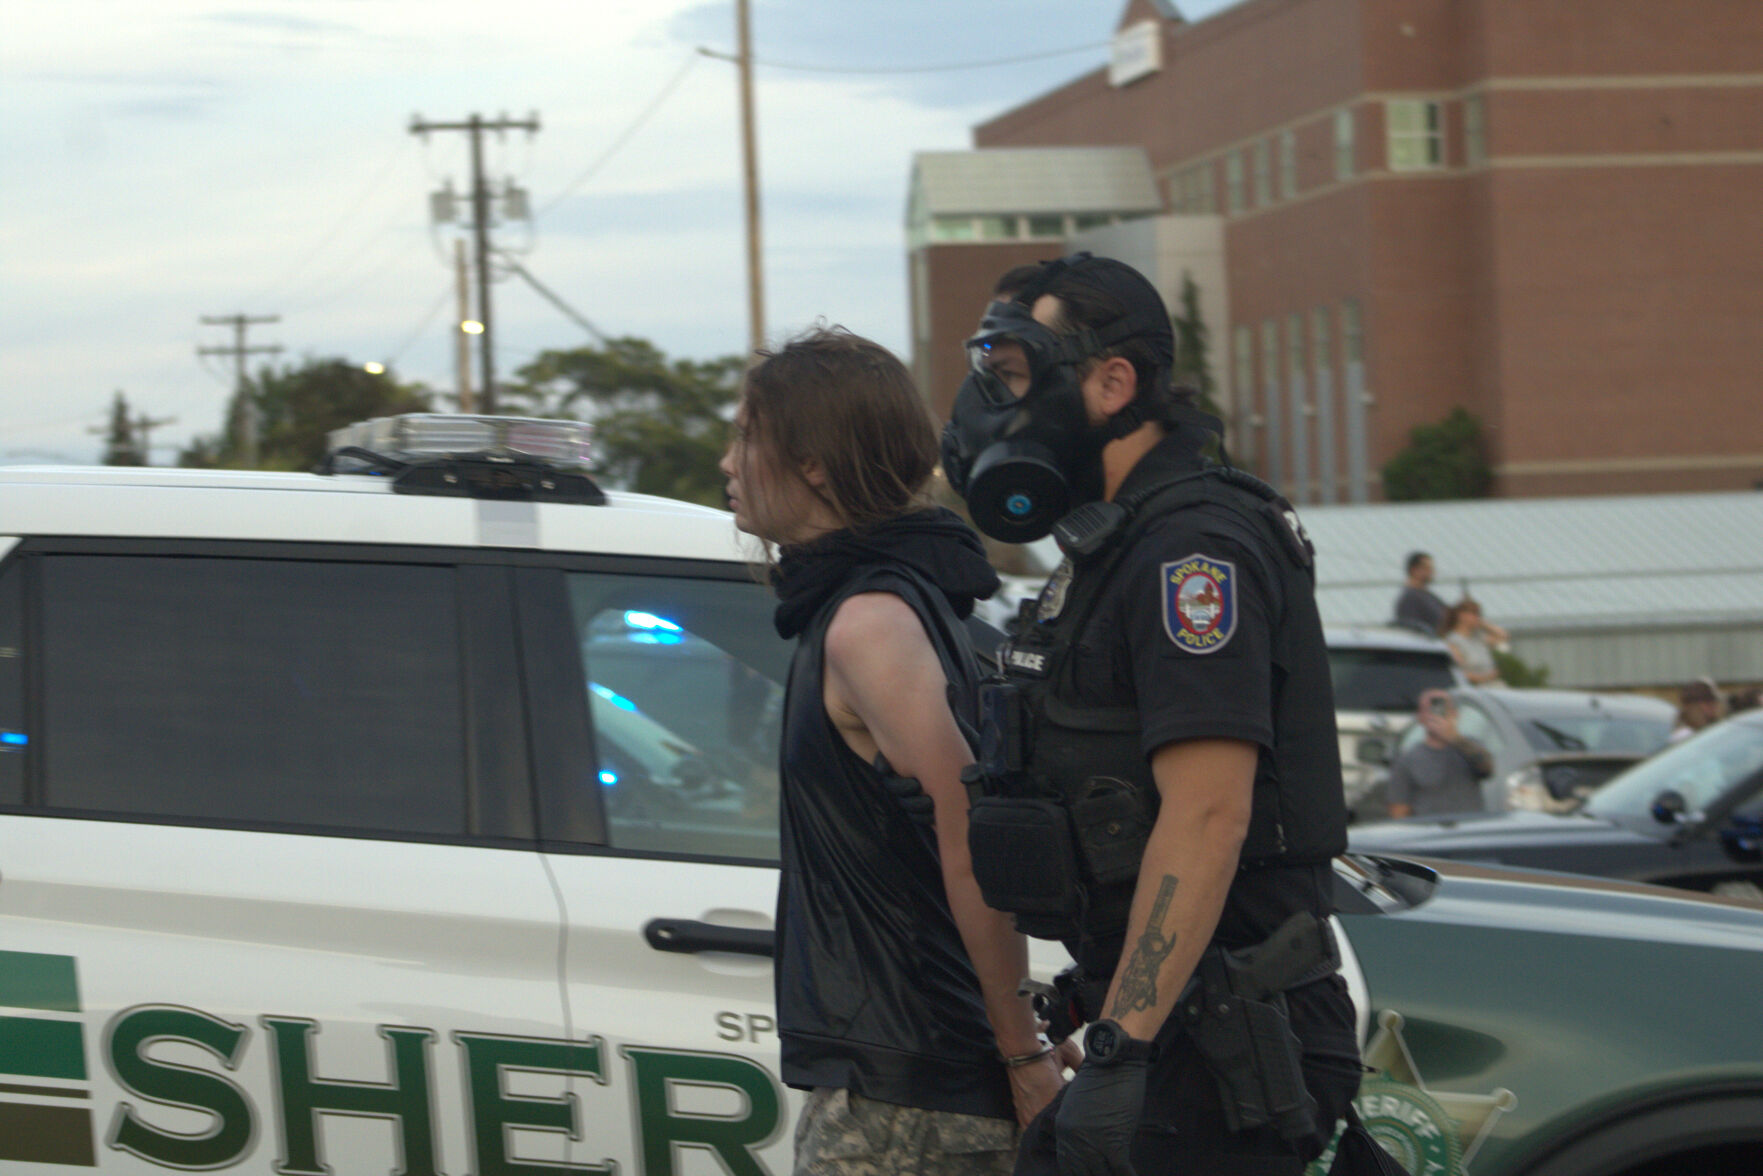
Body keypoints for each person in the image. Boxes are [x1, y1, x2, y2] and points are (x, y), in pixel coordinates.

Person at [941, 255, 1362, 1176]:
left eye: (1015, 378)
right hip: (1165, 1029)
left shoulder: (1190, 555)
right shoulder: (1115, 548)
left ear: (1112, 381)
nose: (991, 406)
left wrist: (1123, 1050)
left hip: (1219, 1044)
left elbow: (1209, 810)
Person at [719, 326, 1066, 1175]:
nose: (727, 463)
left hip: (912, 1093)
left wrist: (1023, 1057)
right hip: (910, 1076)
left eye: (744, 436)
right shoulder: (897, 602)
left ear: (814, 464)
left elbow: (969, 839)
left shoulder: (870, 624)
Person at [1384, 689, 1495, 818]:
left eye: (1442, 709)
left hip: (1467, 831)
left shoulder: (1470, 747)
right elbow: (1398, 809)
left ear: (1454, 714)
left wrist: (1453, 737)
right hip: (1430, 832)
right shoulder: (1408, 759)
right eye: (1429, 710)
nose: (1435, 715)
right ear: (1420, 717)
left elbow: (1487, 768)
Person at [1441, 596, 1507, 686]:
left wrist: (1483, 624)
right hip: (1475, 688)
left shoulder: (1478, 637)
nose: (1477, 617)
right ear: (1461, 616)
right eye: (1474, 614)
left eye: (1478, 614)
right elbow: (1459, 672)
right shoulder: (1453, 641)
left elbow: (1502, 636)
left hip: (1492, 685)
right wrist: (1486, 677)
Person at [1391, 552, 1447, 635]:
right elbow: (1411, 629)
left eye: (1431, 569)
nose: (1431, 572)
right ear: (1414, 570)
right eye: (1427, 568)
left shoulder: (1428, 596)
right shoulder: (1410, 598)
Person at [1670, 677, 1724, 743]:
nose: (1716, 707)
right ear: (1703, 705)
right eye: (1712, 702)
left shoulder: (1710, 731)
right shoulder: (1685, 737)